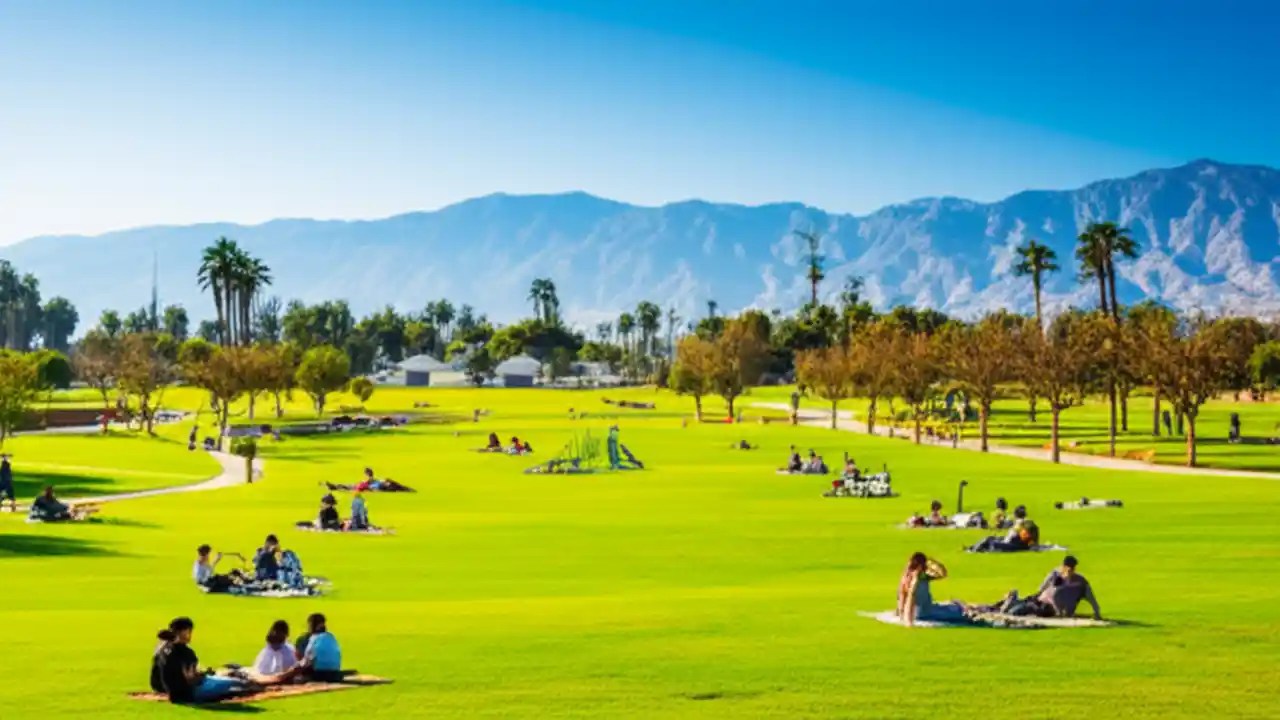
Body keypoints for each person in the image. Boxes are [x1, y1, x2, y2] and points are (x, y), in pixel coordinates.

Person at [151, 617, 252, 703]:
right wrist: (204, 675)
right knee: (233, 683)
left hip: (171, 693)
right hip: (189, 694)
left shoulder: (161, 648)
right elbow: (191, 679)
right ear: (185, 631)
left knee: (220, 679)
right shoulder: (185, 652)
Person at [897, 552, 966, 626]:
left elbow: (901, 596)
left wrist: (901, 612)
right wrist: (908, 621)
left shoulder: (908, 577)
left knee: (951, 605)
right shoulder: (917, 579)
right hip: (924, 613)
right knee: (959, 610)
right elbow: (911, 597)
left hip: (924, 610)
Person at [296, 613, 343, 682]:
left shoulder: (314, 638)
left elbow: (307, 661)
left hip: (319, 674)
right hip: (335, 673)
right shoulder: (331, 637)